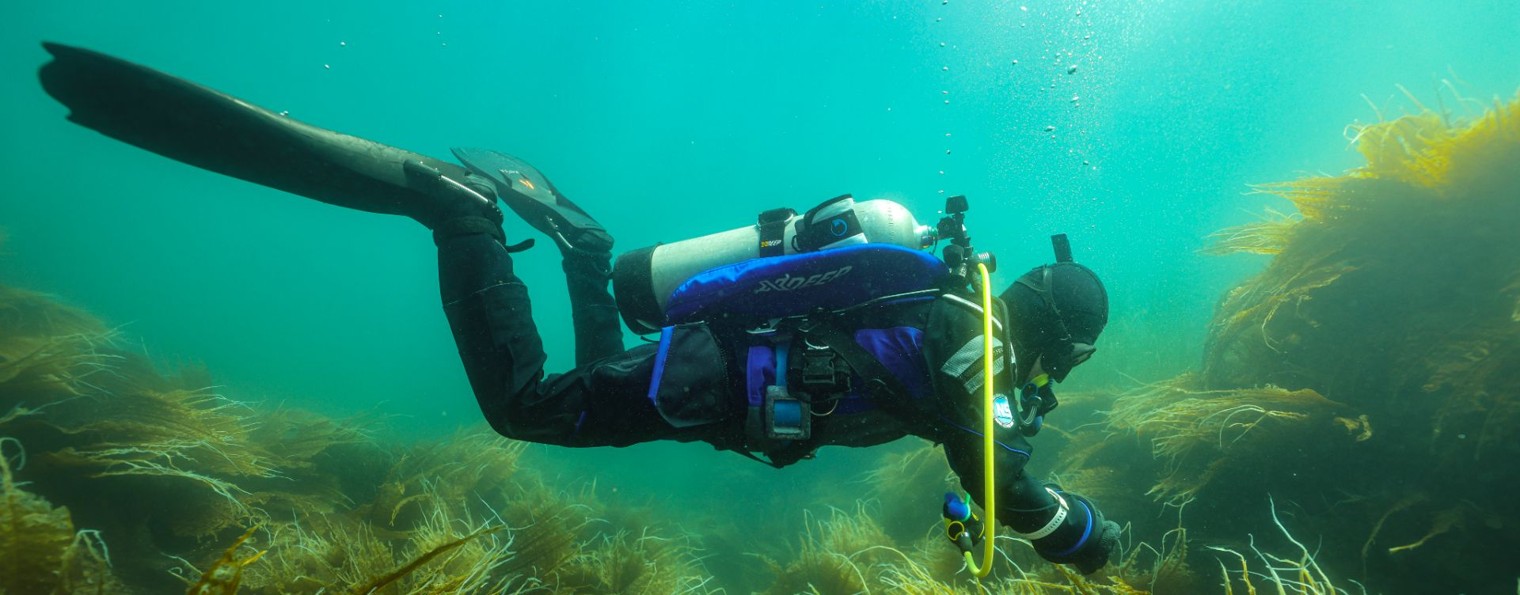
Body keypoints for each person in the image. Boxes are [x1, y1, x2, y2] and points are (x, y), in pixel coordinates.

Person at [38, 42, 1121, 574]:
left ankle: (586, 247)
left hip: (708, 370)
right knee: (528, 406)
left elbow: (960, 454)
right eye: (1070, 357)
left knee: (608, 369)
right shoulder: (968, 337)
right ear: (1061, 340)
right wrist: (1078, 536)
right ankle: (458, 219)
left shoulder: (948, 310)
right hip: (712, 380)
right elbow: (987, 474)